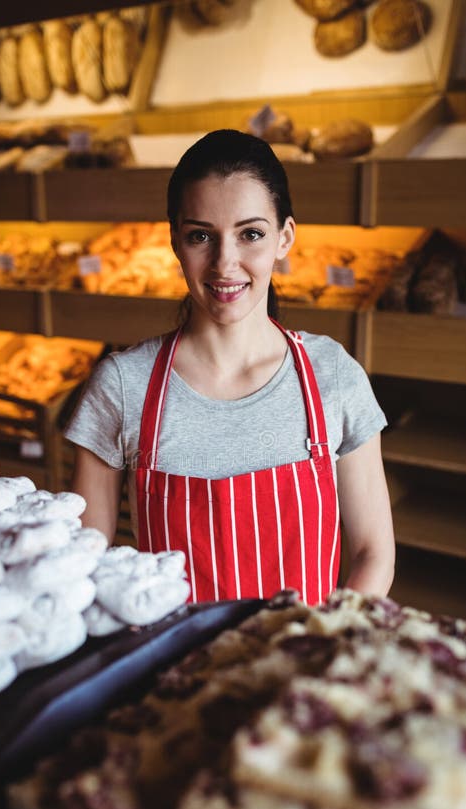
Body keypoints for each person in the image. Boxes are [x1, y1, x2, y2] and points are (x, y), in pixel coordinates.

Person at [65, 129, 395, 606]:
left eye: (251, 234)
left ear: (285, 238)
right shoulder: (122, 386)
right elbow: (86, 566)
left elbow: (372, 553)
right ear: (175, 241)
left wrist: (323, 647)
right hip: (174, 671)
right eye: (201, 235)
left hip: (302, 661)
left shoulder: (333, 377)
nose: (225, 263)